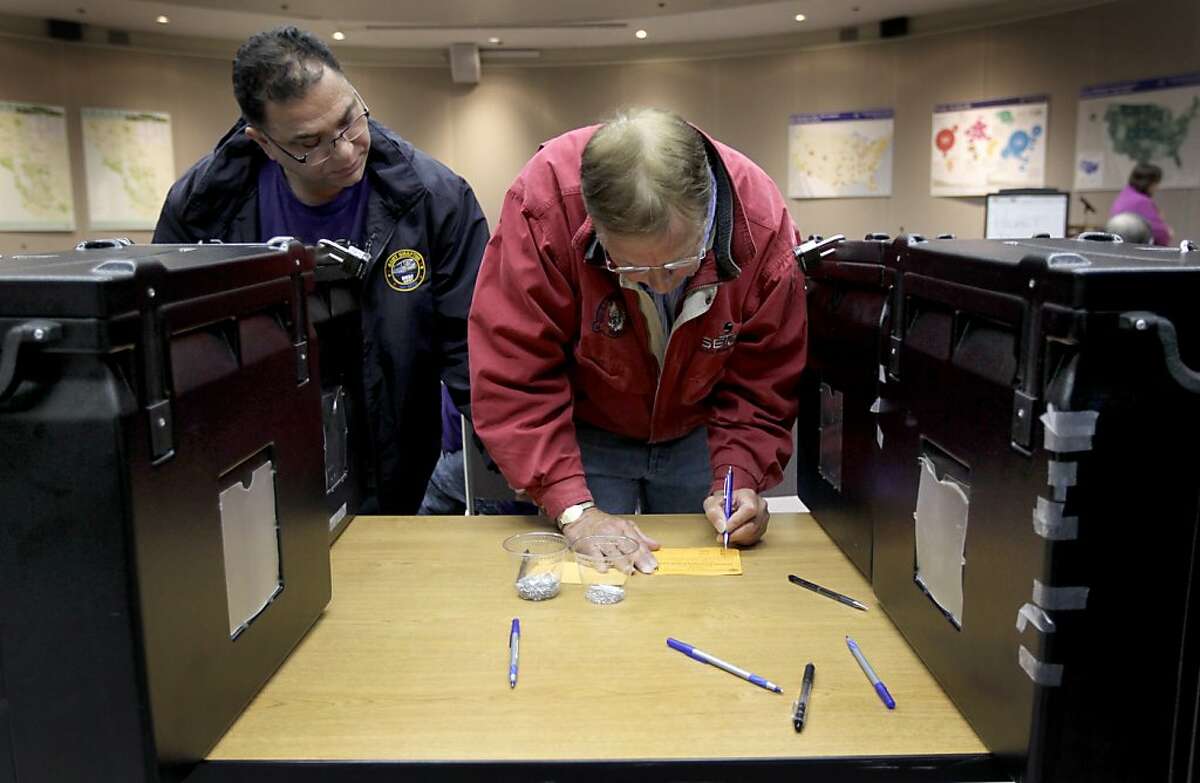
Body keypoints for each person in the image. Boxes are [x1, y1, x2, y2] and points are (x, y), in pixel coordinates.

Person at [154, 26, 489, 514]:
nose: (348, 151)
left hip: (398, 466)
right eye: (310, 144)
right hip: (257, 471)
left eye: (350, 122)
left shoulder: (434, 200)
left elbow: (474, 351)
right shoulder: (204, 210)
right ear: (264, 143)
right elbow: (174, 357)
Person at [468, 107, 807, 572]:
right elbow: (515, 370)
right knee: (598, 578)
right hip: (586, 426)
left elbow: (762, 380)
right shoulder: (546, 205)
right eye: (632, 269)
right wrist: (574, 508)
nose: (661, 285)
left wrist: (739, 479)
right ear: (595, 228)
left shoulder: (761, 225)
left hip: (701, 428)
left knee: (707, 583)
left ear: (707, 212)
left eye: (679, 264)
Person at [1109, 162, 1172, 246]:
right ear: (1150, 183)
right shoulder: (1142, 202)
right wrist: (1168, 230)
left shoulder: (1123, 196)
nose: (1157, 188)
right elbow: (1161, 235)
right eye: (1156, 184)